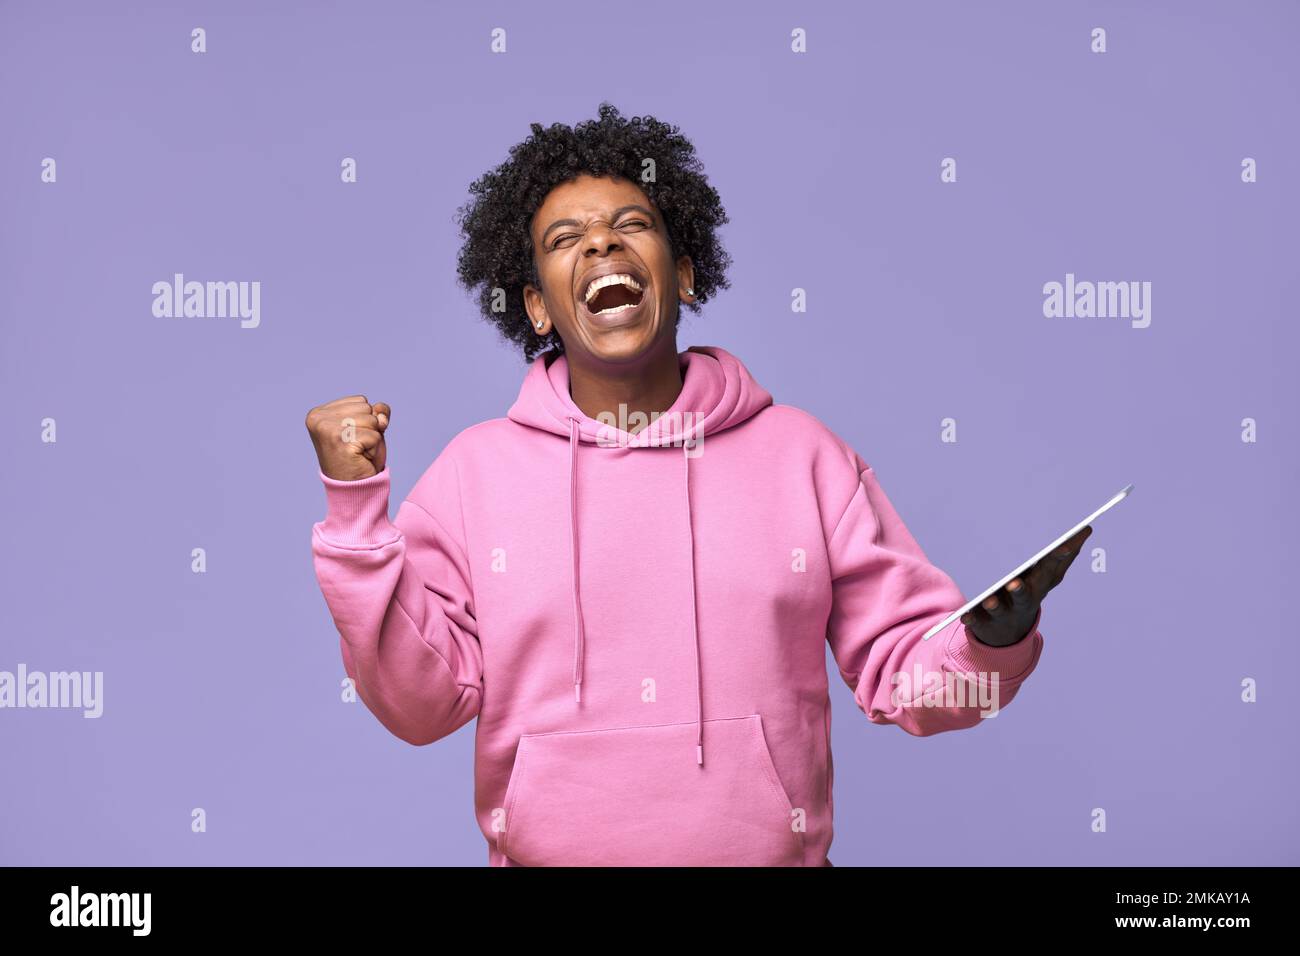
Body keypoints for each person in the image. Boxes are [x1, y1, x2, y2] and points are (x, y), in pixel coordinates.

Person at [305, 102, 1088, 867]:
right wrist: (355, 518)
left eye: (632, 224)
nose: (602, 240)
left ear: (682, 275)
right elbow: (419, 706)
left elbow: (905, 677)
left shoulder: (803, 457)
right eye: (565, 238)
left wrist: (989, 643)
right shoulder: (473, 475)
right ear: (538, 307)